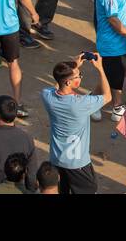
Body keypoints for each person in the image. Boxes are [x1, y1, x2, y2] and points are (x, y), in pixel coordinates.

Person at [42, 55, 111, 194]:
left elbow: (57, 85)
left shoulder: (47, 96)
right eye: (78, 76)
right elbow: (108, 96)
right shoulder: (81, 104)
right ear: (68, 82)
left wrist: (73, 66)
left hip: (56, 160)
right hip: (78, 164)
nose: (80, 78)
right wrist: (100, 69)